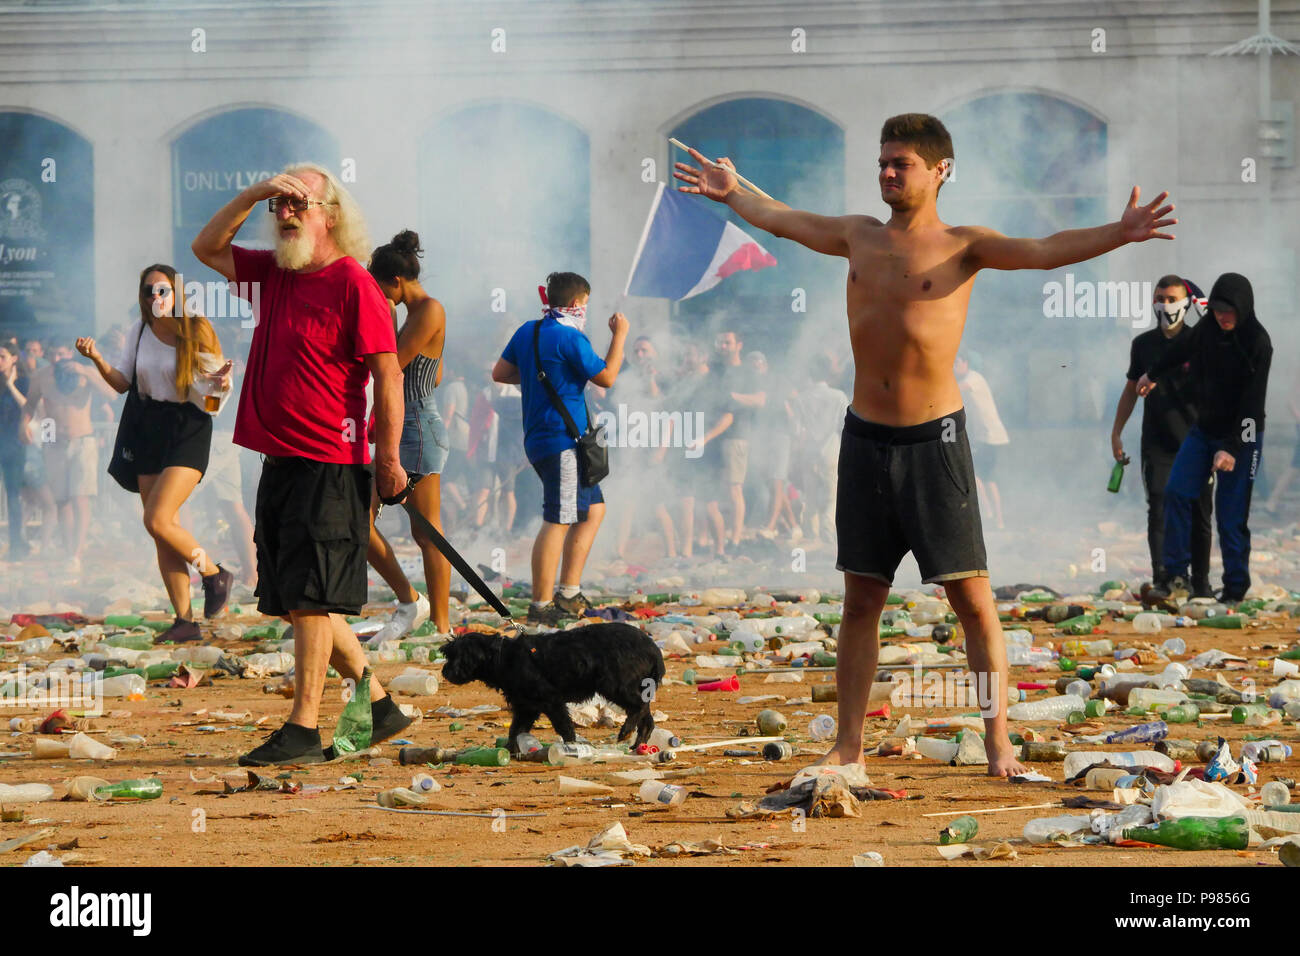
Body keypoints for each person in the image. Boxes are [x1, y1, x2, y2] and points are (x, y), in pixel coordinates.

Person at [675, 112, 1175, 776]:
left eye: (900, 163)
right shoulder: (857, 236)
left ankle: (998, 743)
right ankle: (847, 746)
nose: (886, 173)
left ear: (940, 171)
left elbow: (1045, 248)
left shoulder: (964, 246)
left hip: (934, 442)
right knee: (861, 599)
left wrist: (1119, 232)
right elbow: (783, 218)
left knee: (971, 600)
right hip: (864, 440)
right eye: (882, 162)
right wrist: (733, 191)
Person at [192, 162, 411, 766]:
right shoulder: (275, 274)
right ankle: (381, 704)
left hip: (331, 458)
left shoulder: (354, 284)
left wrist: (388, 457)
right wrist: (258, 189)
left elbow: (387, 376)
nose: (284, 215)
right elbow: (206, 246)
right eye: (278, 207)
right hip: (282, 456)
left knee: (315, 598)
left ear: (331, 215)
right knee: (293, 594)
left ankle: (304, 729)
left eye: (298, 204)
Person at [77, 265, 236, 639]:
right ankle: (184, 621)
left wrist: (218, 381)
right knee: (162, 532)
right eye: (149, 291)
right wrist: (97, 359)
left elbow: (213, 395)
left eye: (162, 290)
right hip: (147, 426)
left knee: (157, 519)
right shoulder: (139, 330)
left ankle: (213, 573)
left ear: (176, 293)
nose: (155, 298)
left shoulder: (197, 328)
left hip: (188, 426)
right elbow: (121, 383)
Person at [492, 272, 628, 625]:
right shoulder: (571, 337)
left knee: (593, 509)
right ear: (579, 303)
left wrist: (542, 377)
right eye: (587, 304)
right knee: (559, 519)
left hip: (542, 439)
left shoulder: (528, 331)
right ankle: (541, 605)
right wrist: (620, 337)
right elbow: (608, 377)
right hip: (562, 441)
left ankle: (567, 592)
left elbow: (501, 373)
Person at [1138, 273, 1272, 605]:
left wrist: (1233, 448)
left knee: (1230, 514)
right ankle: (1177, 577)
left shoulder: (1257, 341)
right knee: (1176, 492)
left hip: (1243, 434)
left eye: (1229, 312)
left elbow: (1253, 405)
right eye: (1217, 310)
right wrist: (1151, 375)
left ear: (1243, 309)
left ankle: (1235, 588)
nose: (1223, 317)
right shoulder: (1208, 330)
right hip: (1204, 430)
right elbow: (1180, 348)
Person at [365, 229, 449, 641]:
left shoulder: (429, 310)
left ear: (395, 280)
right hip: (409, 420)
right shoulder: (411, 314)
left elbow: (391, 368)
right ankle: (411, 600)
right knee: (361, 519)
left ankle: (440, 625)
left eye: (380, 286)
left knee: (427, 531)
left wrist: (374, 417)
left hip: (416, 423)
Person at [1110, 276, 1213, 596]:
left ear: (1186, 301)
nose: (1165, 305)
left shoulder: (1202, 343)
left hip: (1196, 440)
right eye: (1159, 298)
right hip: (1157, 442)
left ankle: (1201, 582)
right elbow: (1130, 391)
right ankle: (1163, 579)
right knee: (1158, 507)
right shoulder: (1143, 345)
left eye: (1171, 299)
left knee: (1199, 511)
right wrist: (1116, 433)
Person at [21, 343, 117, 573]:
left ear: (70, 354)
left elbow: (111, 393)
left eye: (61, 353)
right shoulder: (42, 376)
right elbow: (31, 404)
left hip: (83, 440)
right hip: (55, 444)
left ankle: (77, 554)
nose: (57, 357)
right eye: (53, 353)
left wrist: (84, 371)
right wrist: (23, 424)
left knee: (80, 498)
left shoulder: (86, 372)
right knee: (62, 500)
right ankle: (68, 552)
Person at [954, 352, 1010, 531]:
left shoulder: (974, 378)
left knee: (973, 473)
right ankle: (999, 521)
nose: (954, 367)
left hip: (989, 436)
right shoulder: (969, 379)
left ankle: (987, 512)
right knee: (988, 479)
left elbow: (959, 388)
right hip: (987, 436)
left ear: (966, 363)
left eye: (956, 363)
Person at [0, 342, 30, 559]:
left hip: (15, 447)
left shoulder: (24, 381)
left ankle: (17, 545)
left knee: (13, 497)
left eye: (2, 356)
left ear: (13, 359)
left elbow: (29, 407)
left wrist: (10, 385)